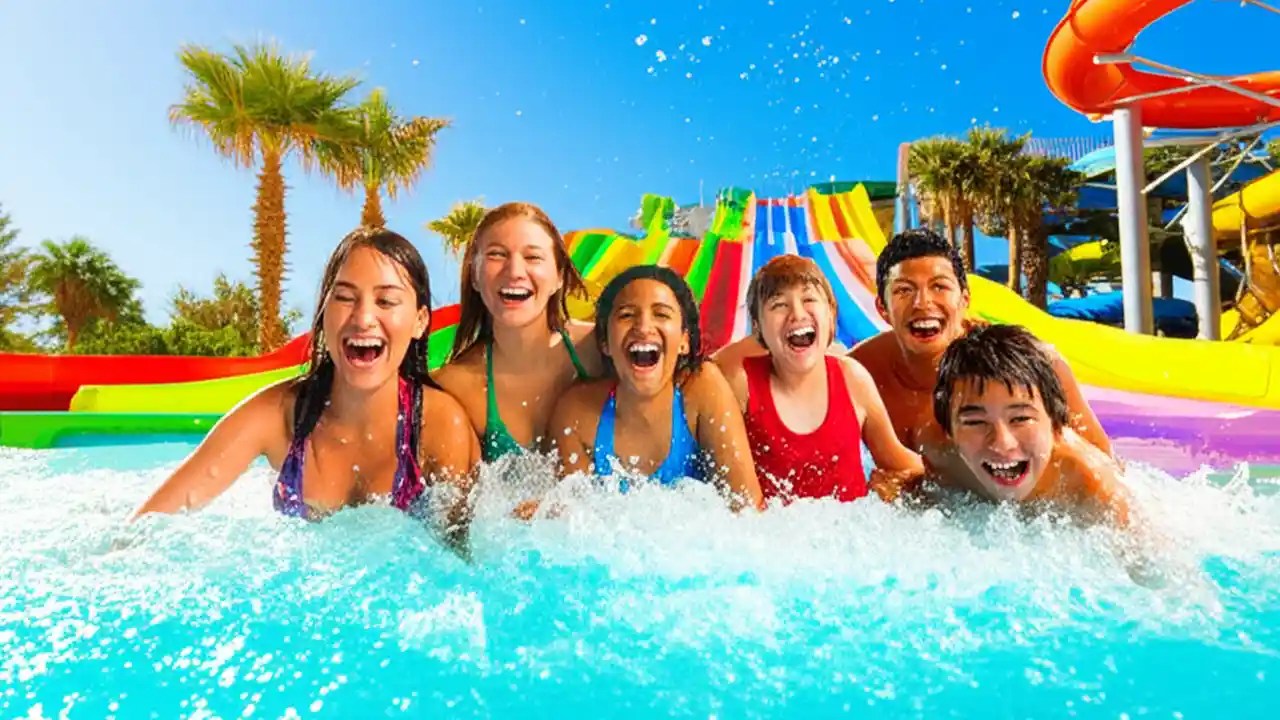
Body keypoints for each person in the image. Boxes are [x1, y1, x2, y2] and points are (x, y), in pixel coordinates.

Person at [131, 227, 479, 549]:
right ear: (324, 312)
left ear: (420, 322)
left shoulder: (437, 425)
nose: (362, 318)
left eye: (386, 301)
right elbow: (151, 522)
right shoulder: (278, 415)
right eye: (344, 297)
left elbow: (459, 561)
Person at [850, 228, 1113, 457]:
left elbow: (1101, 465)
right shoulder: (858, 374)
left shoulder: (1029, 365)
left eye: (939, 287)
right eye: (904, 291)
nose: (923, 303)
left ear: (964, 300)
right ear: (882, 309)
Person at [542, 265, 765, 512]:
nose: (644, 327)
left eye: (661, 314)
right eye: (627, 315)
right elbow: (568, 529)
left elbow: (747, 509)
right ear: (605, 342)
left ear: (683, 341)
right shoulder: (578, 414)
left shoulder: (701, 389)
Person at [715, 255, 924, 504]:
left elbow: (903, 464)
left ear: (831, 315)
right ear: (758, 328)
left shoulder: (852, 379)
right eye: (779, 305)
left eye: (809, 299)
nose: (797, 314)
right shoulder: (743, 387)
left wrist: (899, 484)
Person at [434, 202, 602, 463]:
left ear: (559, 276)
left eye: (533, 257)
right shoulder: (456, 386)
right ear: (475, 277)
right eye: (496, 255)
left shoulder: (598, 352)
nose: (514, 272)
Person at [924, 323, 1131, 526]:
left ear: (1056, 427)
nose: (1002, 443)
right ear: (950, 432)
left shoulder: (1095, 489)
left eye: (1021, 419)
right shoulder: (941, 461)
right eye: (976, 422)